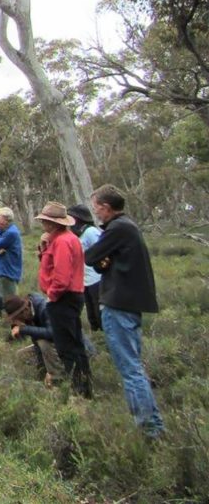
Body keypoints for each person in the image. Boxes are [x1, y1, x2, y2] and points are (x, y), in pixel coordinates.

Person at [85, 183, 164, 438]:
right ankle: (150, 425)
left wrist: (101, 259)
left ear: (106, 208)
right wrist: (103, 261)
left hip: (119, 305)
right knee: (133, 367)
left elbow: (91, 256)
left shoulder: (118, 228)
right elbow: (100, 263)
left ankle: (149, 429)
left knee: (130, 370)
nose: (95, 212)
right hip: (128, 304)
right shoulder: (126, 227)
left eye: (97, 207)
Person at [36, 201, 92, 399]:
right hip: (70, 296)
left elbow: (61, 276)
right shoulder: (65, 239)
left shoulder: (62, 241)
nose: (43, 224)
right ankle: (84, 389)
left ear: (52, 223)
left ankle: (79, 392)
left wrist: (52, 295)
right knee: (76, 345)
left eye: (45, 221)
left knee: (67, 348)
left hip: (63, 299)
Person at [5, 293, 66, 384]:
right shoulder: (28, 314)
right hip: (51, 347)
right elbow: (37, 344)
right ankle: (45, 373)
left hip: (66, 346)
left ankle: (57, 378)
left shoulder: (45, 308)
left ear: (25, 310)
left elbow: (52, 333)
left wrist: (24, 329)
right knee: (21, 355)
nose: (16, 322)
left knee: (43, 342)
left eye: (16, 318)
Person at [69, 203, 103, 332]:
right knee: (90, 312)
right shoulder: (77, 234)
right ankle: (96, 333)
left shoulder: (91, 232)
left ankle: (104, 337)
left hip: (97, 279)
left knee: (99, 309)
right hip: (85, 280)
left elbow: (101, 251)